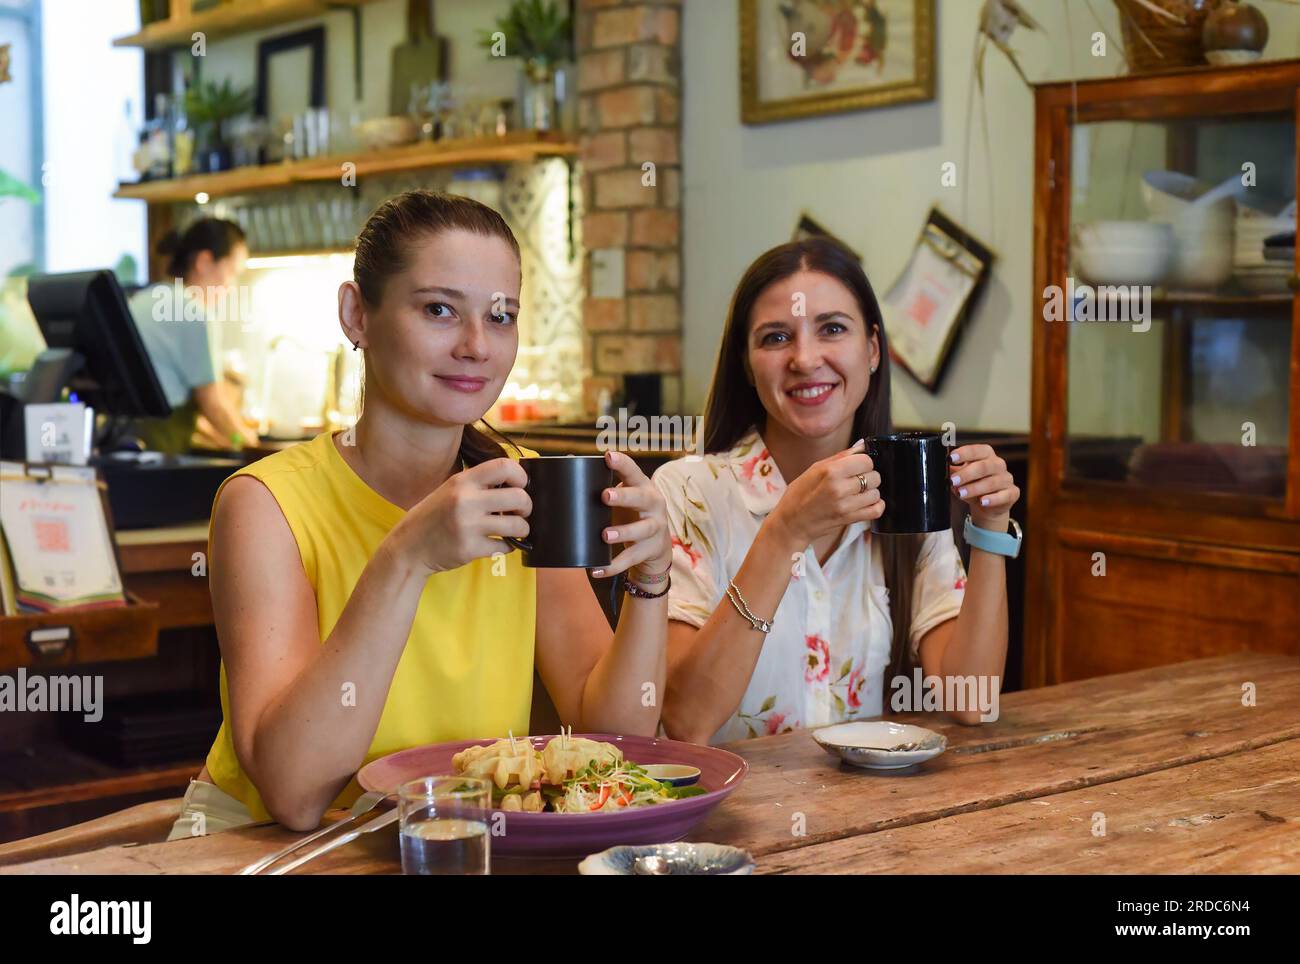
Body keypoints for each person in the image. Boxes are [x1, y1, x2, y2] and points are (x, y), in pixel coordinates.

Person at [169, 191, 671, 838]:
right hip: (263, 847)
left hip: (445, 843)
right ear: (357, 315)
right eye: (439, 310)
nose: (475, 346)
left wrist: (651, 581)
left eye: (501, 316)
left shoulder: (524, 487)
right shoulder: (264, 503)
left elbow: (617, 742)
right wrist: (408, 556)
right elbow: (294, 795)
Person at [653, 237, 1020, 745]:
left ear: (872, 350)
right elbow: (685, 719)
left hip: (872, 814)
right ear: (746, 363)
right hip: (729, 819)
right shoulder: (689, 492)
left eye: (832, 329)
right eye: (776, 338)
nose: (805, 359)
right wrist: (785, 533)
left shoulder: (908, 489)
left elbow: (972, 701)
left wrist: (991, 530)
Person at [126, 217, 259, 453]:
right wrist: (249, 446)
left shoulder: (145, 299)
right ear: (204, 262)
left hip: (125, 441)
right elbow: (213, 405)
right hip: (159, 451)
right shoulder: (194, 312)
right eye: (232, 273)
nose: (231, 286)